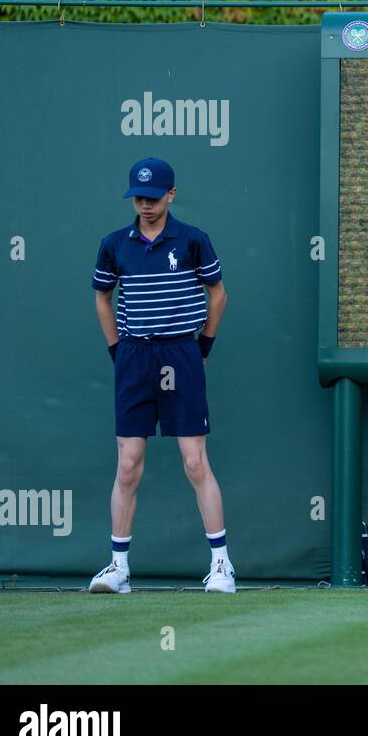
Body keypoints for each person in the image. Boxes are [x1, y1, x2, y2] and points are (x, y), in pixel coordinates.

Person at [88, 158, 234, 594]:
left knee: (194, 461)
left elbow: (218, 293)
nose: (145, 206)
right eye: (138, 198)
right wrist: (118, 349)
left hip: (180, 353)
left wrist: (202, 346)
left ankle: (223, 566)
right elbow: (102, 298)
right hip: (135, 356)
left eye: (153, 198)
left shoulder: (192, 240)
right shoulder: (115, 244)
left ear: (171, 195)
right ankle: (118, 569)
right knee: (128, 464)